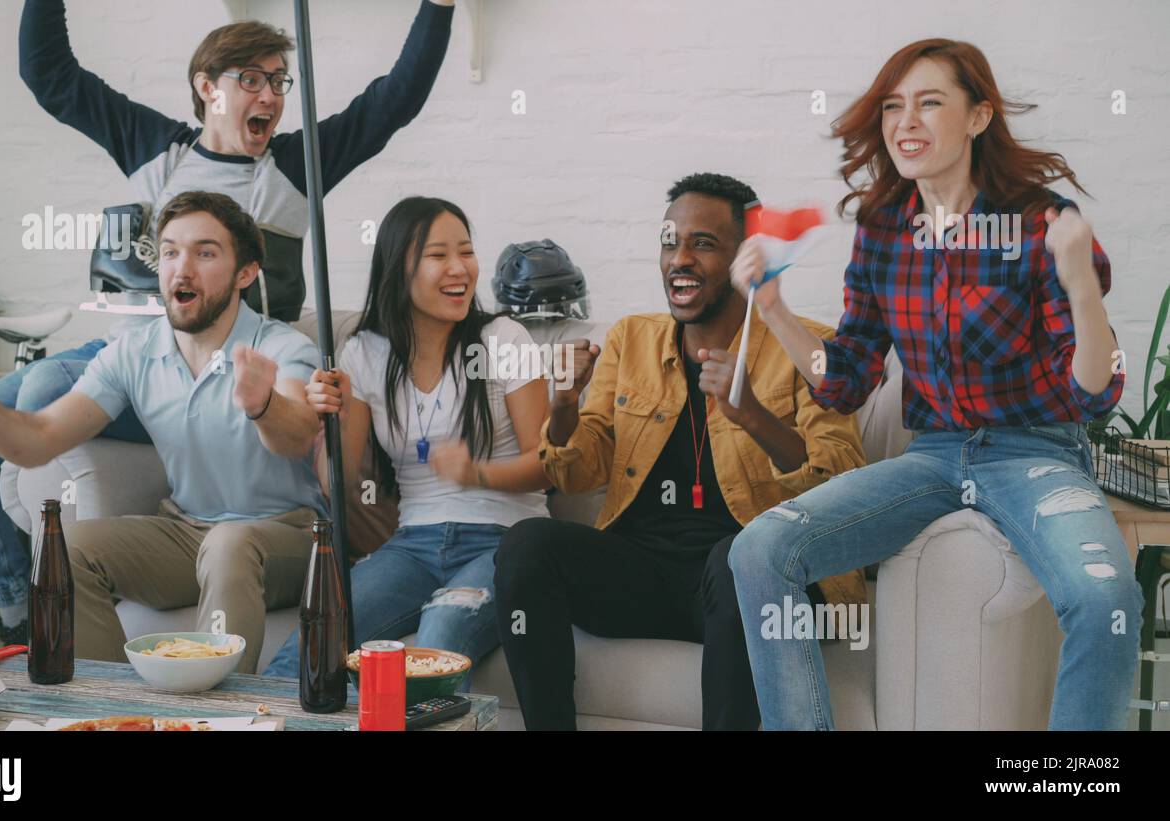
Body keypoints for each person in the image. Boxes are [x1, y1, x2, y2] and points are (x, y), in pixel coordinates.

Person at [0, 0, 457, 645]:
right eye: (251, 79)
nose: (271, 95)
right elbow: (52, 77)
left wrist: (439, 7)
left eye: (280, 81)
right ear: (207, 87)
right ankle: (16, 607)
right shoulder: (154, 150)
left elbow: (394, 100)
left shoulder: (296, 166)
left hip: (227, 366)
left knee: (39, 389)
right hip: (132, 354)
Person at [727, 39, 1143, 731]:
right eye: (893, 107)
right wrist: (773, 311)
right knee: (761, 548)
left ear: (979, 117)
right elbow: (847, 379)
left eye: (929, 103)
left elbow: (1094, 393)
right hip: (934, 453)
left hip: (1034, 450)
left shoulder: (1042, 219)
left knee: (1106, 600)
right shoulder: (884, 230)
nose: (904, 123)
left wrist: (1081, 288)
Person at [492, 173, 868, 730]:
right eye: (670, 242)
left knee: (736, 555)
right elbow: (579, 471)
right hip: (645, 573)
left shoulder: (807, 348)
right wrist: (565, 405)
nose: (679, 259)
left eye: (703, 244)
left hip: (762, 584)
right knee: (527, 545)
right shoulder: (631, 340)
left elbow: (844, 487)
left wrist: (754, 417)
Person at [0, 191, 328, 674]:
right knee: (65, 549)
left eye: (205, 252)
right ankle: (112, 710)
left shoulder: (281, 345)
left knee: (230, 544)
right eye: (169, 252)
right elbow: (38, 440)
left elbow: (298, 436)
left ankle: (222, 721)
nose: (182, 268)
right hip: (189, 530)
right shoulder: (133, 352)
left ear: (245, 272)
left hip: (288, 534)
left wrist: (263, 404)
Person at [262, 197, 552, 684]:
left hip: (503, 540)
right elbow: (339, 486)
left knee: (438, 640)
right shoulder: (364, 354)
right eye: (439, 255)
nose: (460, 268)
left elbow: (549, 464)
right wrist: (329, 414)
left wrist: (475, 472)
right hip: (411, 547)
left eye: (466, 251)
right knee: (305, 654)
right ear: (399, 270)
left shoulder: (503, 338)